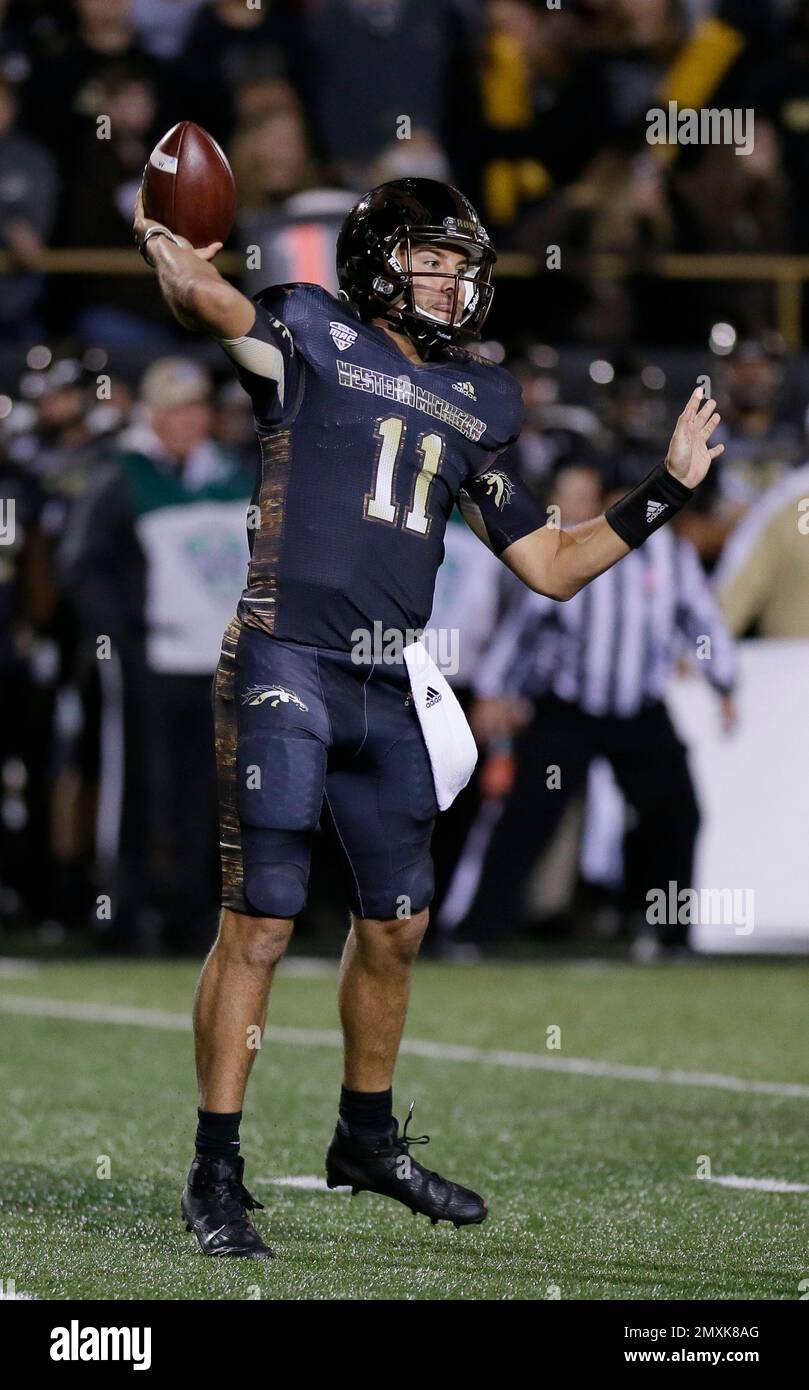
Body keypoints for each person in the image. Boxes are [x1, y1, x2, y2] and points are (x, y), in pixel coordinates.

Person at [132, 173, 723, 1258]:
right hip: (286, 658)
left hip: (388, 676)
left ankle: (364, 1138)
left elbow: (548, 564)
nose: (453, 280)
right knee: (260, 919)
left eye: (462, 263)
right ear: (375, 262)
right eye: (432, 258)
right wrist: (172, 240)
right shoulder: (311, 333)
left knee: (397, 922)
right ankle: (216, 1167)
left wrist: (665, 489)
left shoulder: (477, 398)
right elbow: (208, 306)